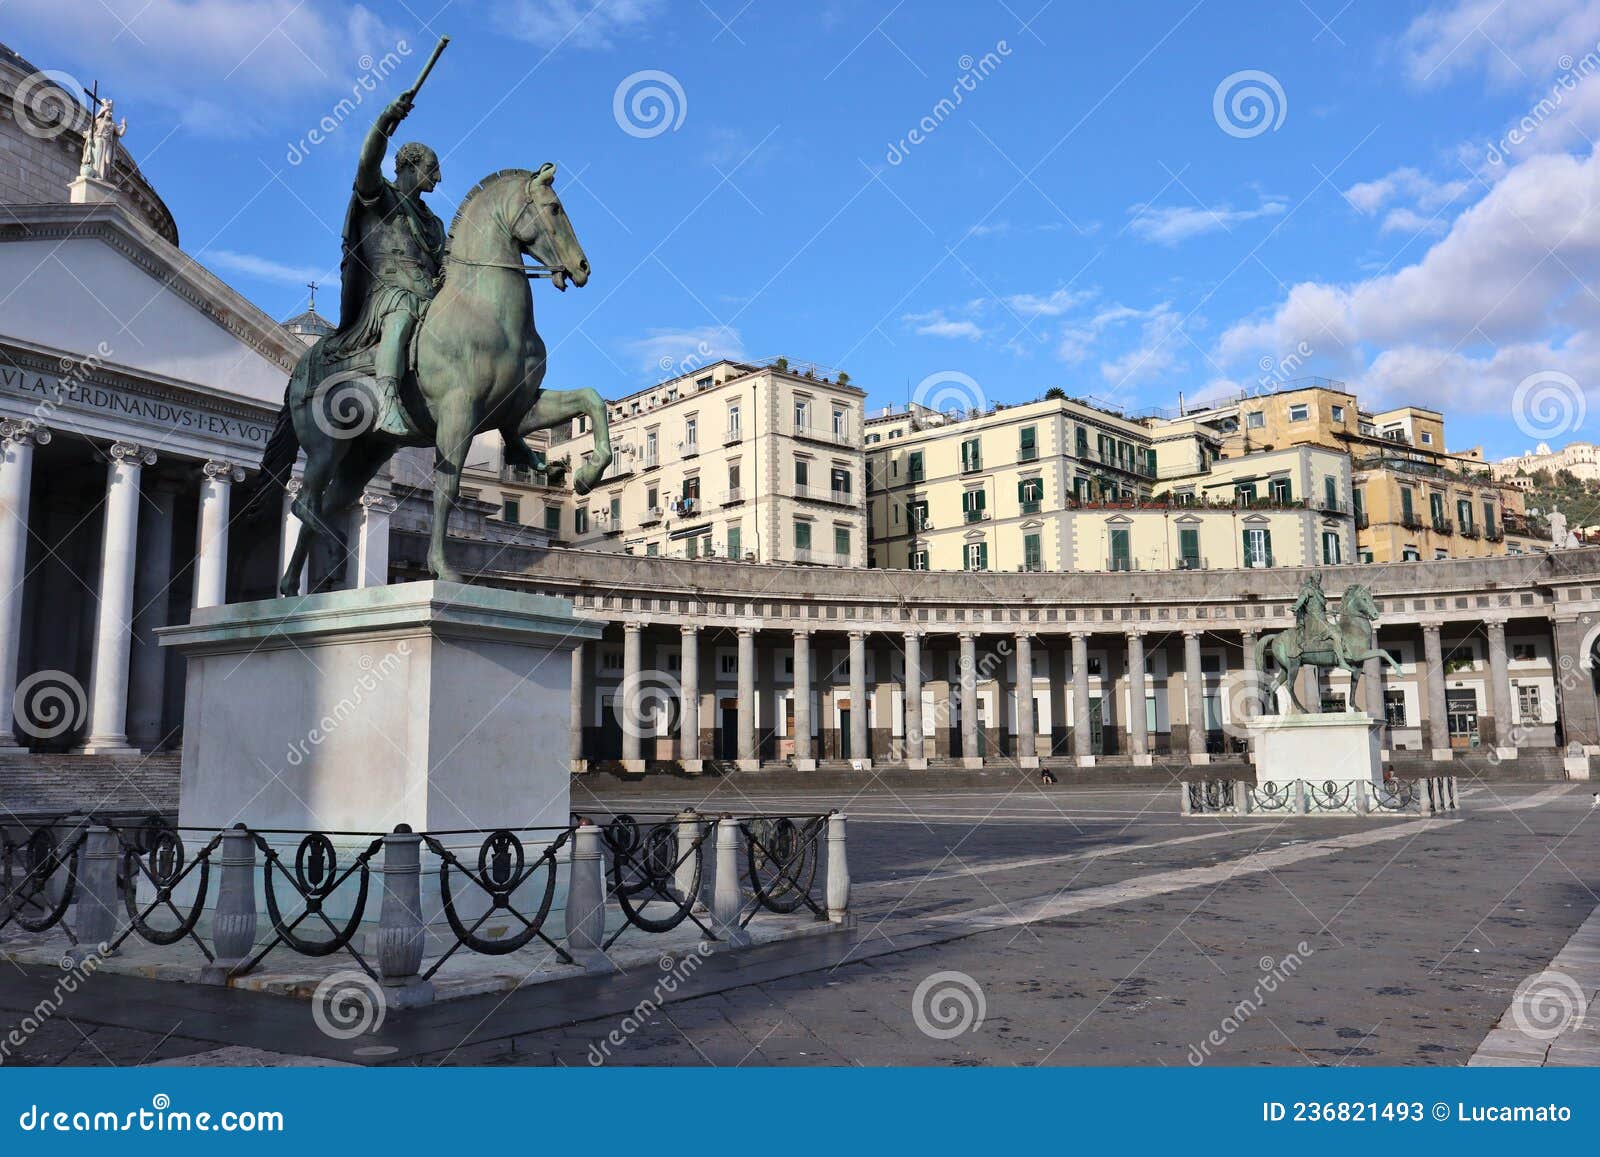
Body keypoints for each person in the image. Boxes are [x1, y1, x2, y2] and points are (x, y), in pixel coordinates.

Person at [323, 94, 445, 434]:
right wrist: (386, 120)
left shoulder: (433, 222)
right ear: (409, 164)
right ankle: (389, 399)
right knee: (402, 313)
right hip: (387, 294)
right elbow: (367, 162)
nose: (439, 178)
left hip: (429, 299)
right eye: (432, 168)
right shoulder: (380, 196)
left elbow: (443, 265)